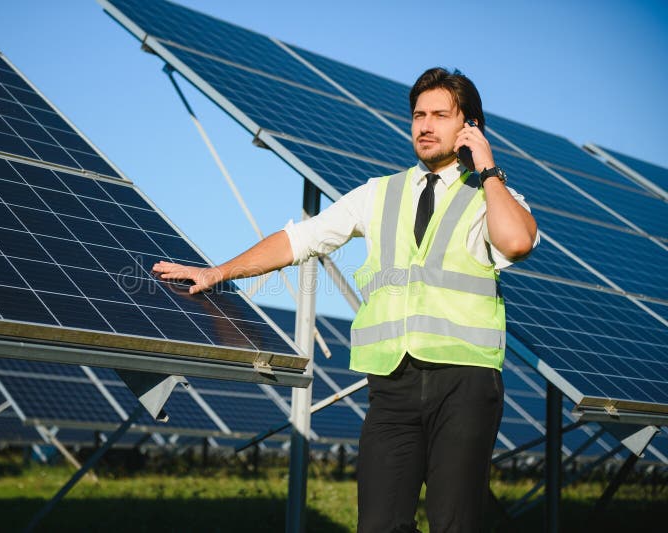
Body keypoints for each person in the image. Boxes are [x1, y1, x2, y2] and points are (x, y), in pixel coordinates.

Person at [153, 67, 538, 533]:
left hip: (464, 383)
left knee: (453, 523)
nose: (426, 125)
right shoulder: (379, 193)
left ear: (469, 127)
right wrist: (218, 271)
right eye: (419, 115)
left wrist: (489, 171)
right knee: (377, 524)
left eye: (441, 114)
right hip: (392, 383)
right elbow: (301, 240)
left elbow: (516, 242)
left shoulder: (494, 196)